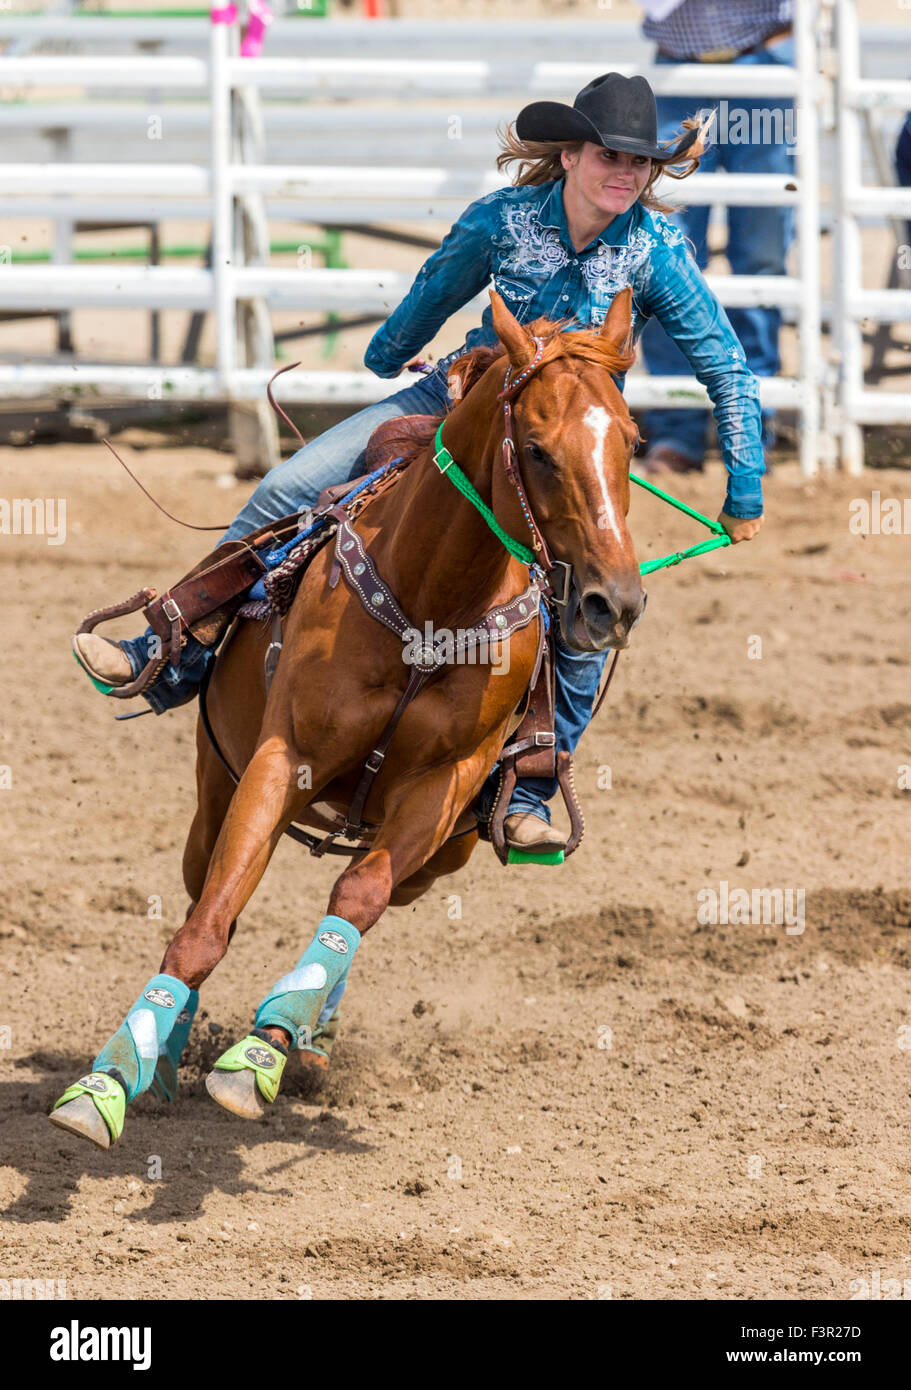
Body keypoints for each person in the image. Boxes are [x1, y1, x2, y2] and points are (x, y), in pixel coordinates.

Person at [72, 71, 765, 854]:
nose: (626, 175)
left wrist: (744, 485)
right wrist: (391, 353)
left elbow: (726, 370)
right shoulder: (500, 222)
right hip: (458, 405)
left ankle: (526, 782)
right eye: (610, 155)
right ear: (568, 156)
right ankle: (174, 649)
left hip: (557, 446)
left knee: (586, 598)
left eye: (640, 163)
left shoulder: (654, 248)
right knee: (287, 488)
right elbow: (418, 311)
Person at [636, 0, 795, 476]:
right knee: (666, 258)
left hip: (759, 64)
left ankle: (750, 428)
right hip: (678, 73)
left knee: (762, 257)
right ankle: (675, 428)